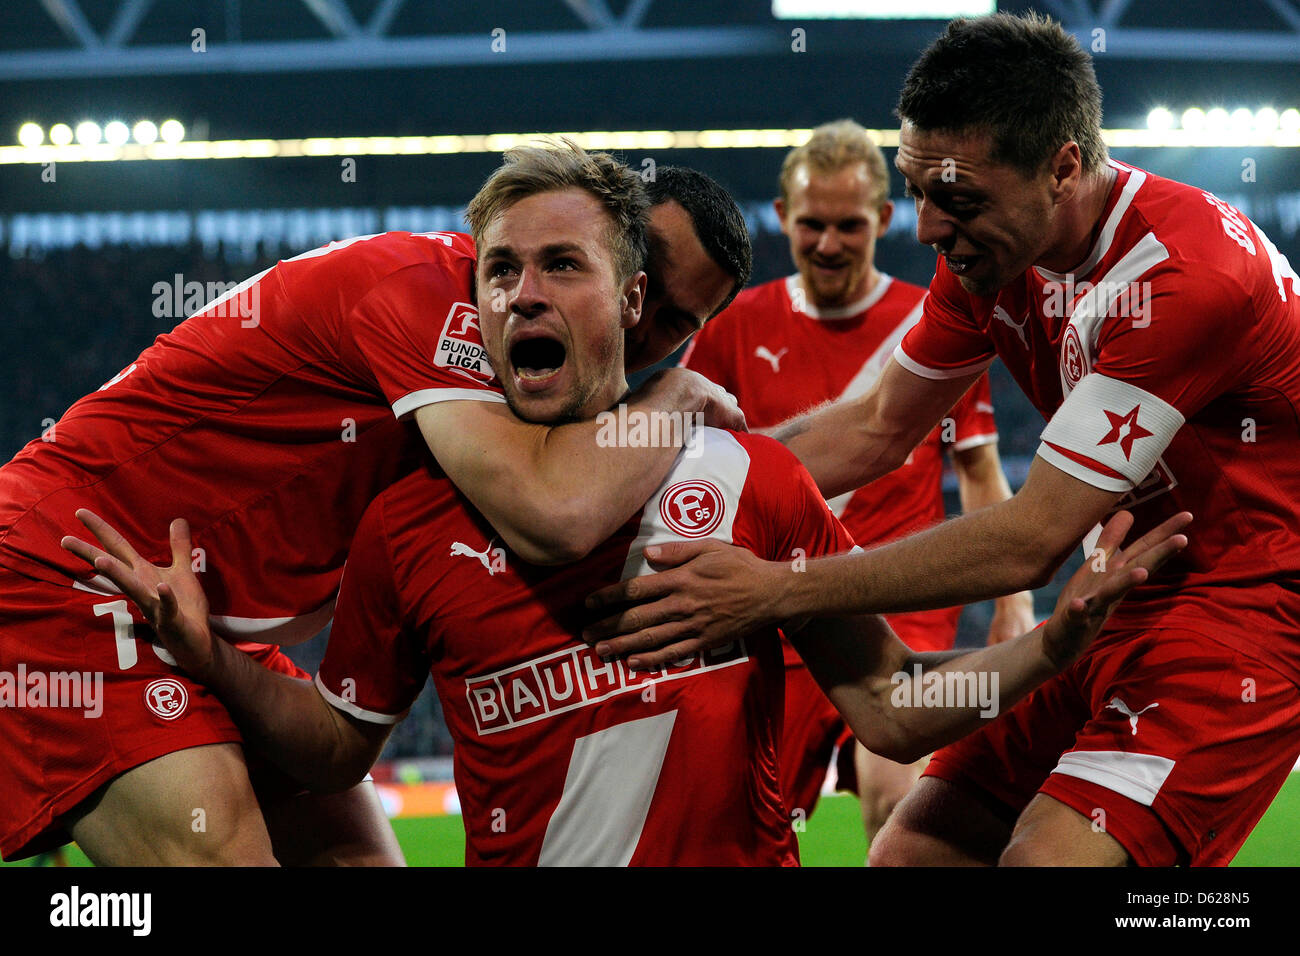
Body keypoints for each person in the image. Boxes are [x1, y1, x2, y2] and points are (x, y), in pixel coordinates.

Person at [61, 142, 1188, 866]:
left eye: (567, 269)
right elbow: (338, 743)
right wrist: (213, 657)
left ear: (638, 298)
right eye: (506, 270)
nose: (525, 295)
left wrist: (1054, 641)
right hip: (74, 560)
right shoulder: (416, 511)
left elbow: (893, 703)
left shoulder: (755, 478)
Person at [583, 11, 1296, 868]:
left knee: (1045, 862)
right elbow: (877, 428)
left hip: (1253, 608)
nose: (923, 228)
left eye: (956, 199)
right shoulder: (995, 254)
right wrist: (633, 490)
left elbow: (1030, 540)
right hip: (1127, 590)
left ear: (1063, 166)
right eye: (917, 190)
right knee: (910, 851)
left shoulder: (1183, 280)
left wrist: (778, 587)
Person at [0, 142, 749, 865]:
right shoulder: (443, 302)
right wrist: (676, 394)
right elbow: (556, 515)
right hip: (74, 564)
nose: (639, 330)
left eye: (678, 327)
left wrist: (868, 429)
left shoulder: (533, 373)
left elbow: (737, 474)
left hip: (188, 605)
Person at [680, 118, 1034, 845]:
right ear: (782, 219)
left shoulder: (933, 321)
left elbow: (978, 469)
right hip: (776, 612)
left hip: (897, 600)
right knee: (749, 820)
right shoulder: (733, 327)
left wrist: (1013, 607)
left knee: (894, 794)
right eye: (812, 225)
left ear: (882, 218)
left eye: (849, 225)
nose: (829, 243)